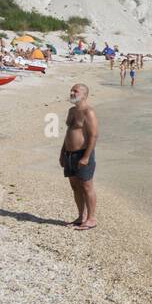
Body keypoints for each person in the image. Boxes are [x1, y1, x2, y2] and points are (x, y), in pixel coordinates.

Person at [60, 83, 98, 229]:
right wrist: (62, 152)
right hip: (69, 154)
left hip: (83, 154)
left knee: (87, 186)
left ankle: (91, 219)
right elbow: (69, 133)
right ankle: (80, 216)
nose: (71, 92)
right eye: (71, 90)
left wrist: (86, 157)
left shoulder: (88, 112)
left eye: (75, 91)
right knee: (75, 186)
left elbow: (94, 136)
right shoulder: (71, 111)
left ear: (84, 95)